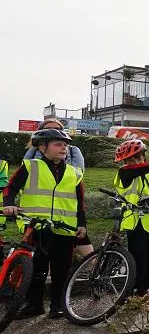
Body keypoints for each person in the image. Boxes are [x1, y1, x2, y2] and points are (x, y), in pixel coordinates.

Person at [2, 128, 87, 319]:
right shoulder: (31, 166)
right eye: (58, 144)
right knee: (36, 270)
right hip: (37, 227)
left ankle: (58, 306)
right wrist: (9, 205)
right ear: (42, 148)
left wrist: (82, 224)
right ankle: (34, 305)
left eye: (65, 145)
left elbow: (80, 201)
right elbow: (11, 188)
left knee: (61, 271)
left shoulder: (74, 172)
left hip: (65, 228)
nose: (64, 148)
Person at [23, 119, 91, 260]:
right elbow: (26, 171)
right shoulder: (33, 152)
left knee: (79, 244)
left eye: (58, 129)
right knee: (40, 254)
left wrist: (61, 170)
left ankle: (94, 268)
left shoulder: (72, 150)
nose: (54, 132)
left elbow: (78, 173)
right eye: (49, 129)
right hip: (40, 213)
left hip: (65, 209)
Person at [113, 141, 149, 304]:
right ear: (125, 162)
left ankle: (144, 292)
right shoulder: (124, 172)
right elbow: (138, 170)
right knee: (138, 259)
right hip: (133, 220)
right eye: (130, 160)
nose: (135, 163)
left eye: (138, 158)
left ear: (144, 156)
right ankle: (134, 294)